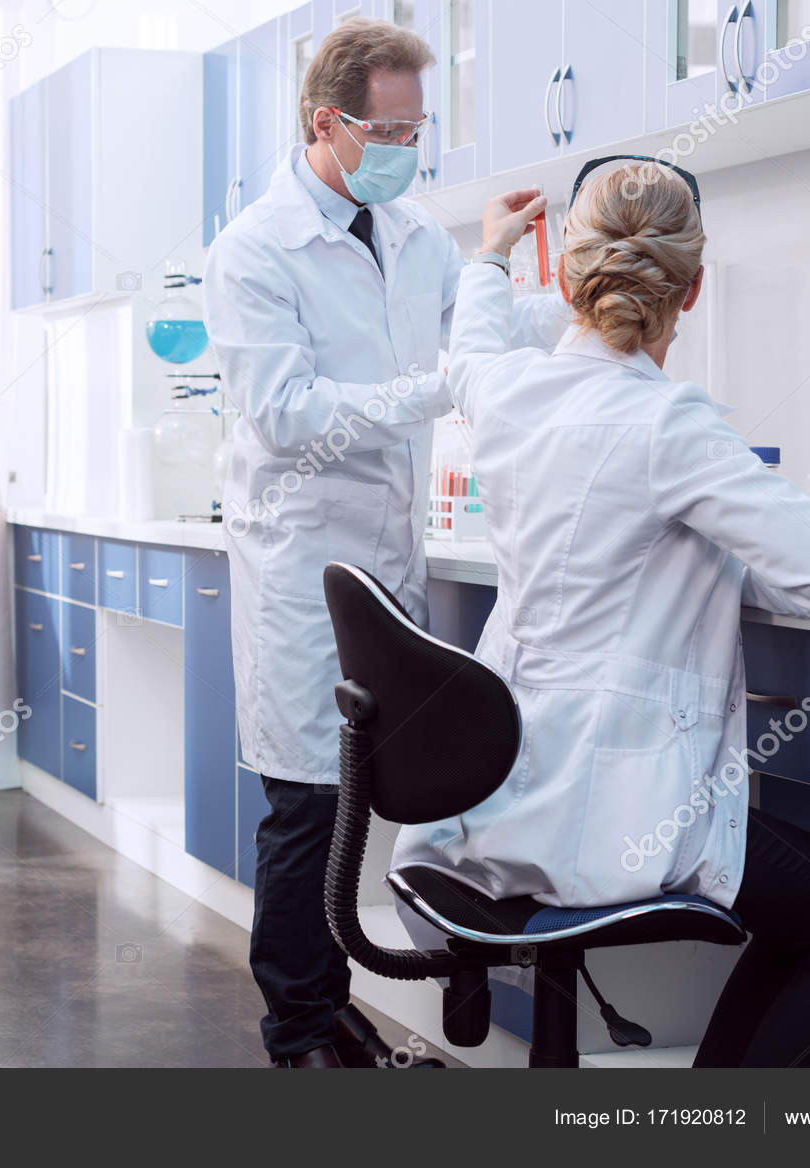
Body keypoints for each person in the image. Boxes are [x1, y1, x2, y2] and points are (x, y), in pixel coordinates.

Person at [392, 158, 810, 1068]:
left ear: (566, 281)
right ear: (690, 292)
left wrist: (489, 252)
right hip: (612, 814)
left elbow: (475, 345)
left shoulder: (507, 391)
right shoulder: (673, 428)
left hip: (498, 797)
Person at [203, 17, 568, 1069]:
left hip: (386, 553)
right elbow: (284, 412)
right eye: (393, 127)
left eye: (421, 126)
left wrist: (578, 288)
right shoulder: (254, 248)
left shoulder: (408, 232)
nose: (411, 146)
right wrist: (434, 388)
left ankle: (333, 1001)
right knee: (308, 805)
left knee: (359, 798)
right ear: (331, 122)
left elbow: (478, 329)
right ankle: (298, 1032)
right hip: (302, 563)